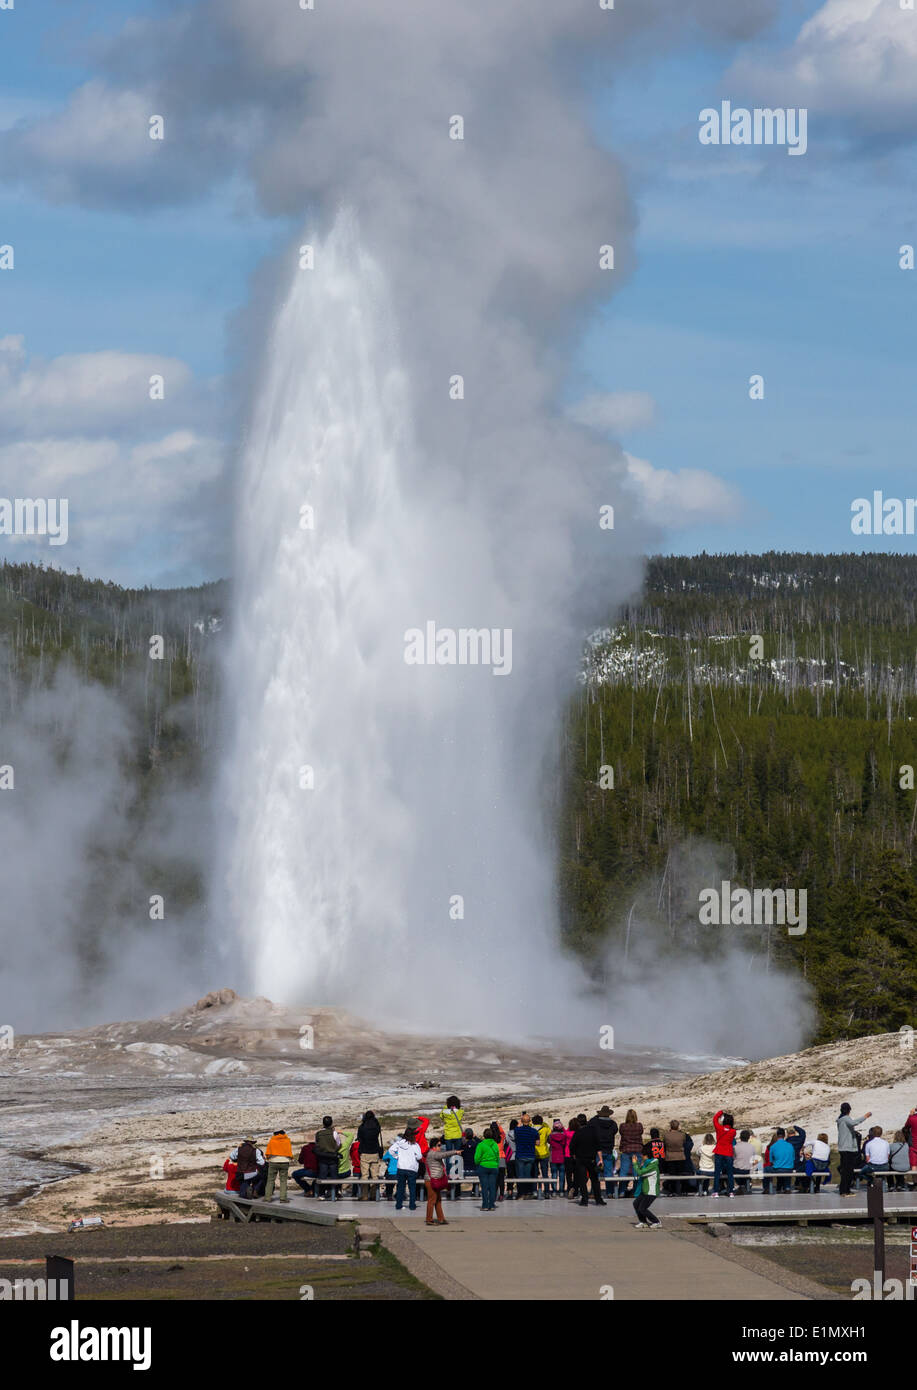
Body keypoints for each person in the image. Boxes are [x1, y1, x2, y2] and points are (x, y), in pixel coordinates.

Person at [570, 1114, 606, 1207]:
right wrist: (601, 1159)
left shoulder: (577, 1132)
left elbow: (572, 1146)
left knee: (582, 1180)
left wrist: (574, 1156)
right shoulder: (593, 1131)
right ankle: (599, 1199)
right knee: (595, 1180)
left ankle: (584, 1200)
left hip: (581, 1159)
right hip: (592, 1159)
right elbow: (598, 1145)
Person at [837, 1103, 871, 1196]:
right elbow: (854, 1123)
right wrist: (865, 1116)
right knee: (848, 1171)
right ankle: (845, 1190)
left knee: (846, 1170)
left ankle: (844, 1189)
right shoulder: (845, 1119)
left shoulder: (840, 1119)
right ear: (849, 1110)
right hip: (847, 1148)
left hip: (843, 1148)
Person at [390, 1125, 423, 1211]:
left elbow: (391, 1150)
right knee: (412, 1188)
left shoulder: (399, 1143)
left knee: (400, 1187)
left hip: (401, 1167)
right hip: (411, 1168)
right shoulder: (415, 1145)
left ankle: (398, 1205)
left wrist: (397, 1157)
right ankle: (412, 1205)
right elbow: (419, 1157)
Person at [356, 1111, 385, 1200]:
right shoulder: (376, 1127)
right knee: (374, 1175)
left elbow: (359, 1139)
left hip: (364, 1152)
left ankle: (364, 1195)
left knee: (364, 1175)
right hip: (375, 1152)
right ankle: (373, 1194)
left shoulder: (362, 1127)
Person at [617, 1110, 644, 1198]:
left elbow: (622, 1134)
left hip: (626, 1150)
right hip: (637, 1150)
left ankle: (621, 1191)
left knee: (623, 1172)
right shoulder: (639, 1126)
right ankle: (635, 1192)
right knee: (637, 1172)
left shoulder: (623, 1126)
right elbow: (640, 1133)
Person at [632, 1149, 661, 1229]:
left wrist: (634, 1164)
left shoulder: (652, 1166)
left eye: (643, 1155)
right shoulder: (647, 1164)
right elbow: (641, 1170)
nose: (641, 1157)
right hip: (645, 1190)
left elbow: (640, 1173)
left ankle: (656, 1221)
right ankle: (643, 1222)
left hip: (651, 1191)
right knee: (636, 1204)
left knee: (642, 1208)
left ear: (647, 1156)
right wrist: (638, 1163)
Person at [424, 1136, 450, 1225]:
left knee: (438, 1200)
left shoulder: (432, 1153)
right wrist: (455, 1152)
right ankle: (429, 1219)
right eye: (439, 1145)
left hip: (435, 1180)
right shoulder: (432, 1153)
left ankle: (441, 1218)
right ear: (434, 1146)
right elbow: (444, 1155)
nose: (440, 1147)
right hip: (431, 1180)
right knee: (432, 1200)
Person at [315, 1116, 342, 1201]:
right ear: (331, 1123)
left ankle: (322, 1194)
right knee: (334, 1176)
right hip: (333, 1157)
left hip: (322, 1157)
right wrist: (334, 1150)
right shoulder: (334, 1133)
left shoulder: (318, 1133)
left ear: (323, 1123)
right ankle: (335, 1193)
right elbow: (339, 1144)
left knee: (322, 1176)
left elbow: (317, 1144)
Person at [475, 1125, 501, 1210]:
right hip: (494, 1166)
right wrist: (496, 1165)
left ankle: (485, 1205)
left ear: (484, 1135)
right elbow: (497, 1157)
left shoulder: (481, 1145)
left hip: (484, 1166)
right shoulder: (495, 1145)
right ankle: (492, 1205)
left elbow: (477, 1158)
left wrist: (478, 1163)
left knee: (484, 1187)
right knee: (492, 1187)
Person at [711, 1109, 736, 1198]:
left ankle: (716, 1191)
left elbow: (714, 1119)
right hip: (728, 1153)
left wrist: (720, 1112)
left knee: (717, 1173)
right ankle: (731, 1191)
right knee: (730, 1173)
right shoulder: (733, 1131)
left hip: (719, 1151)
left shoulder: (719, 1128)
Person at [514, 1112, 539, 1199]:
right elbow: (537, 1143)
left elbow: (516, 1129)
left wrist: (520, 1121)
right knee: (528, 1175)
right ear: (530, 1121)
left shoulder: (517, 1130)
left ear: (521, 1120)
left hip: (520, 1155)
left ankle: (521, 1193)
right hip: (530, 1155)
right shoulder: (534, 1131)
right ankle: (528, 1192)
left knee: (520, 1175)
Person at [264, 1130, 293, 1202]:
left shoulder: (272, 1140)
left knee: (270, 1180)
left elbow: (268, 1152)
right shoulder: (287, 1140)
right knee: (283, 1181)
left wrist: (268, 1158)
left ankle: (267, 1198)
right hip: (285, 1161)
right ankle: (283, 1198)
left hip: (273, 1161)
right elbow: (289, 1151)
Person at [662, 1120, 688, 1197]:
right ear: (678, 1126)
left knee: (672, 1176)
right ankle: (682, 1190)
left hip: (670, 1157)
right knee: (681, 1174)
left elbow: (665, 1144)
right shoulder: (682, 1135)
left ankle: (672, 1191)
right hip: (680, 1156)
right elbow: (684, 1143)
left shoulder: (666, 1135)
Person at [549, 1119, 572, 1196]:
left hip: (553, 1157)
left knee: (554, 1174)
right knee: (562, 1174)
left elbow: (548, 1141)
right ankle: (562, 1191)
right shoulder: (564, 1136)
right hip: (562, 1156)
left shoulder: (551, 1136)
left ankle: (554, 1191)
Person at [768, 1129, 795, 1194]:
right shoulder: (790, 1145)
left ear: (777, 1136)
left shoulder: (773, 1146)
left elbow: (771, 1160)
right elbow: (793, 1158)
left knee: (766, 1169)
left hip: (778, 1169)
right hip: (789, 1169)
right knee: (786, 1170)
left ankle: (767, 1188)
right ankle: (787, 1187)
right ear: (784, 1135)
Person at [533, 1114, 551, 1198]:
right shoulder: (545, 1129)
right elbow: (550, 1136)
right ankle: (547, 1191)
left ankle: (534, 1191)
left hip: (534, 1153)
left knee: (534, 1174)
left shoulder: (531, 1129)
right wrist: (545, 1124)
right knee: (545, 1174)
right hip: (544, 1153)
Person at [733, 1130, 755, 1195]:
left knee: (730, 1168)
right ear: (748, 1138)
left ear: (740, 1137)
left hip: (738, 1170)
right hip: (748, 1170)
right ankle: (744, 1186)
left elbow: (733, 1158)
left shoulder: (736, 1147)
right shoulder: (752, 1147)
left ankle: (741, 1186)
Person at [564, 1118, 580, 1199]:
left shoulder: (567, 1133)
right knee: (577, 1174)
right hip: (576, 1155)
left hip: (567, 1155)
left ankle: (569, 1188)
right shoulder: (578, 1133)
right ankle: (575, 1190)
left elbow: (565, 1131)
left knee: (568, 1175)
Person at [904, 1107, 917, 1180]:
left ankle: (915, 1182)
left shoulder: (912, 1118)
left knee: (914, 1165)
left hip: (913, 1145)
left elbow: (906, 1127)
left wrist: (910, 1115)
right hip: (913, 1145)